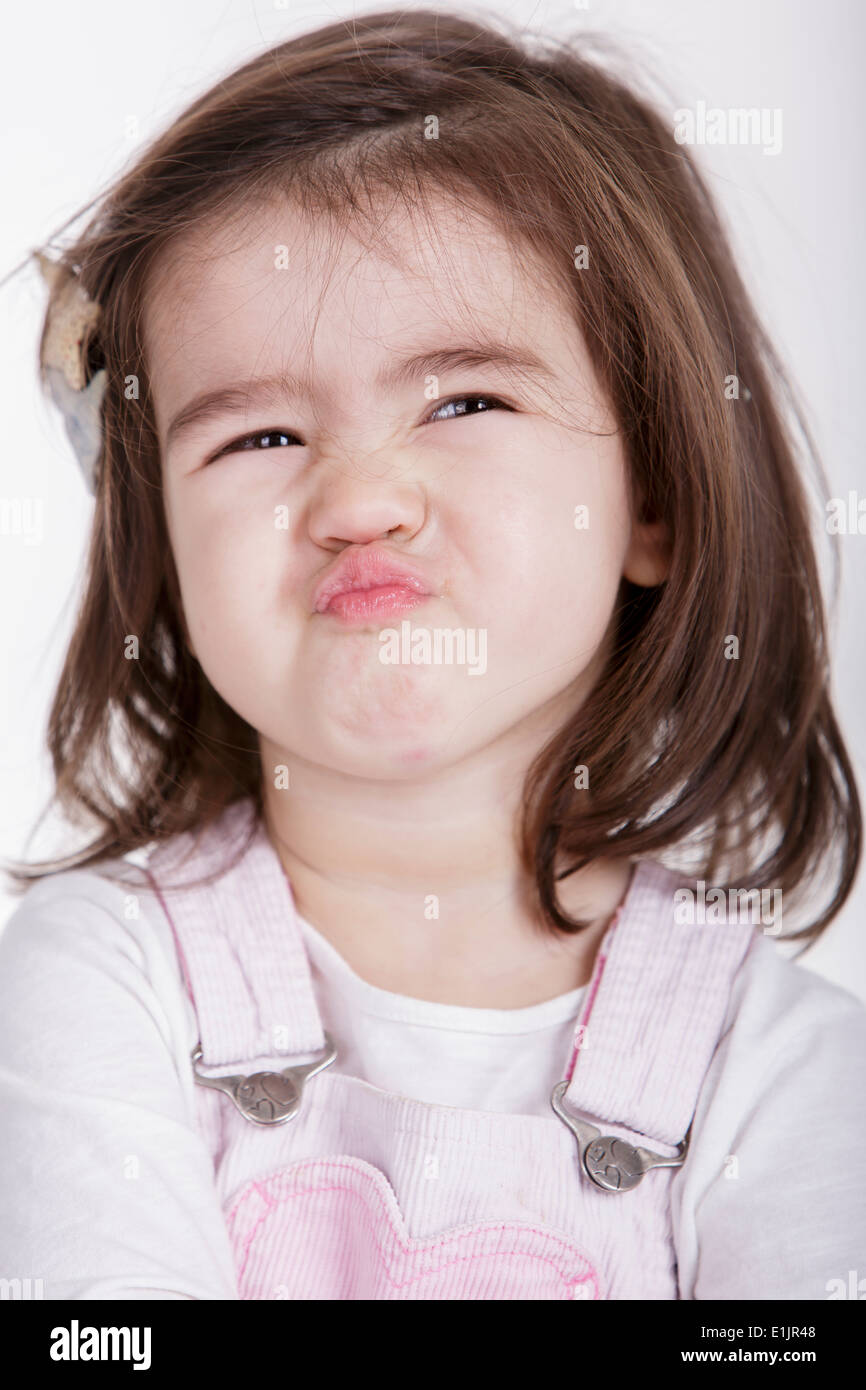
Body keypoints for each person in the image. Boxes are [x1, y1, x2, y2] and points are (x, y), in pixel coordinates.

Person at [1, 7, 864, 1301]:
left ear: (655, 501)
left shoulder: (779, 1070)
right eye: (259, 438)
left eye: (464, 401)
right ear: (161, 547)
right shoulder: (100, 980)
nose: (359, 498)